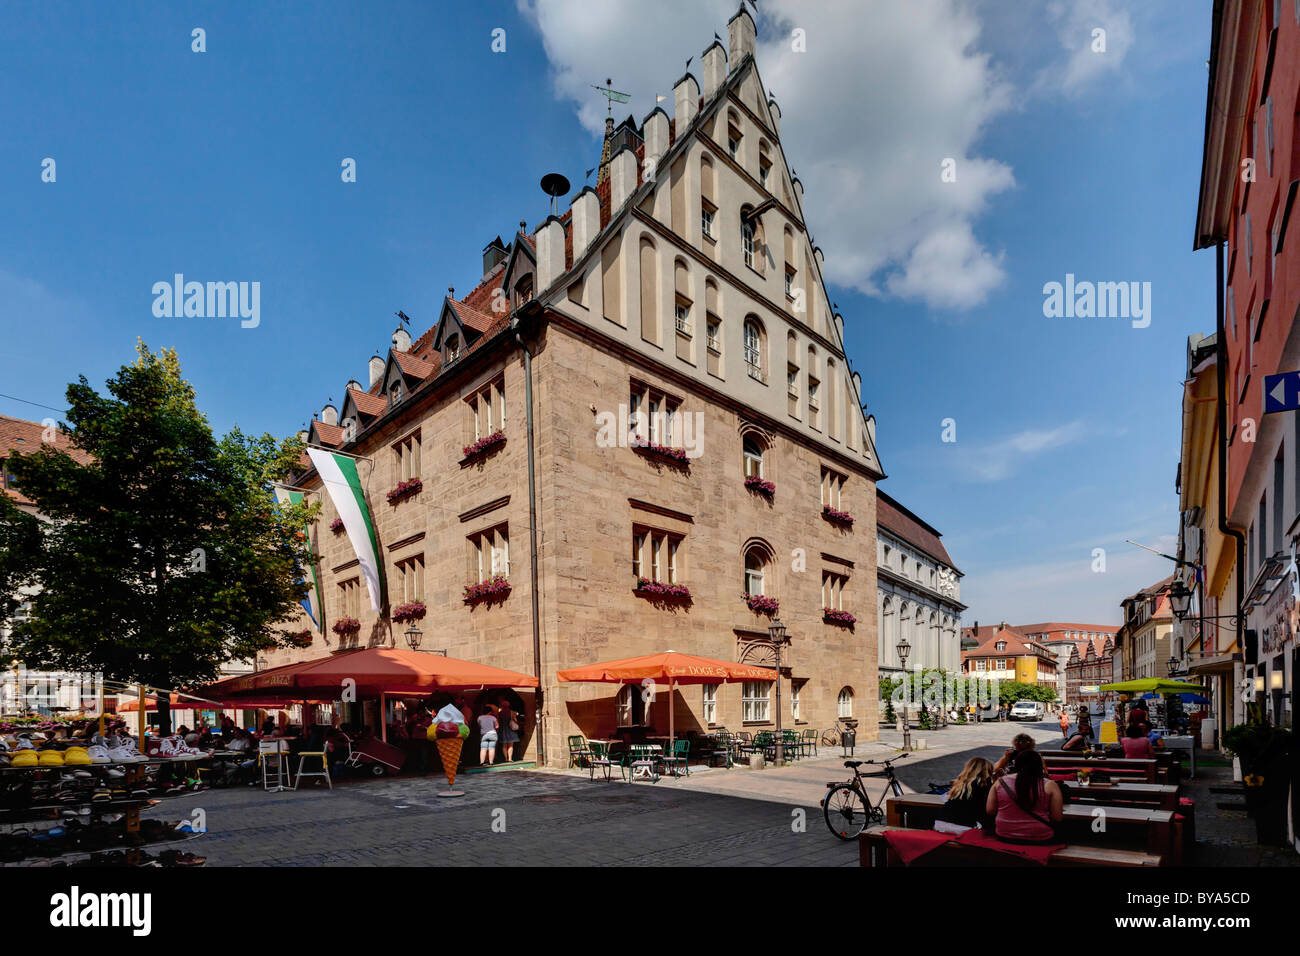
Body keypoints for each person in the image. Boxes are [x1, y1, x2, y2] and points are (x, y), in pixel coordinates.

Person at [985, 749, 1063, 843]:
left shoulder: (1000, 782)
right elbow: (1057, 817)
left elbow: (990, 810)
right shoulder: (1050, 785)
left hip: (1004, 833)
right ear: (1039, 766)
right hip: (1040, 835)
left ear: (1016, 764)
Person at [935, 757, 995, 830]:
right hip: (963, 826)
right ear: (988, 771)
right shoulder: (985, 784)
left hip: (940, 822)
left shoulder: (960, 783)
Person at [497, 697, 520, 762]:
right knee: (510, 745)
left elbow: (498, 721)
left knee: (504, 745)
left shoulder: (500, 713)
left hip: (503, 730)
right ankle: (510, 758)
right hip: (510, 730)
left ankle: (505, 758)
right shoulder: (511, 712)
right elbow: (515, 720)